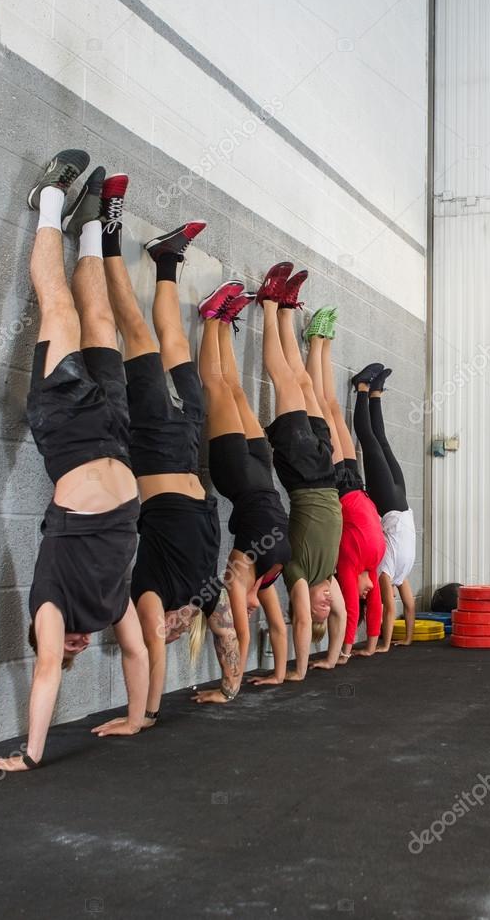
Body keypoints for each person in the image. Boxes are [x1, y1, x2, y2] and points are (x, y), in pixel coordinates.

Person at [0, 151, 148, 773]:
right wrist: (137, 717)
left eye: (67, 646)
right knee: (100, 320)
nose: (74, 644)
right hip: (116, 438)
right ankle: (92, 230)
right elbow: (137, 650)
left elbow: (47, 672)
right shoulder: (109, 606)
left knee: (58, 309)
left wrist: (28, 755)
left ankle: (48, 201)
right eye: (80, 649)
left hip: (70, 433)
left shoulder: (49, 603)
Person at [99, 189, 245, 716]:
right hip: (186, 449)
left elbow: (153, 653)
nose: (165, 626)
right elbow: (231, 640)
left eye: (163, 626)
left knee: (136, 334)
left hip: (156, 452)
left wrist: (144, 718)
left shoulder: (150, 592)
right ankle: (167, 261)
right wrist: (228, 687)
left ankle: (104, 232)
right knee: (177, 345)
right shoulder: (206, 592)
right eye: (176, 628)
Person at [253, 262, 346, 680]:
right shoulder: (329, 575)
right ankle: (288, 311)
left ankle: (269, 306)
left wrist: (300, 670)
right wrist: (333, 656)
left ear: (301, 603)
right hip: (325, 471)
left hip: (303, 476)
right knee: (306, 387)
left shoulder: (299, 574)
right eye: (330, 608)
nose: (327, 605)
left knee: (285, 381)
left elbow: (305, 623)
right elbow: (343, 616)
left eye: (319, 608)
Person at [198, 282, 292, 687]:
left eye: (245, 609)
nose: (249, 610)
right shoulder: (269, 579)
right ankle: (225, 320)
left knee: (216, 388)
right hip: (263, 469)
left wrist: (231, 687)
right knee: (236, 390)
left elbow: (237, 632)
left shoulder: (239, 572)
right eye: (253, 609)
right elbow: (280, 628)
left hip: (235, 473)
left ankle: (209, 320)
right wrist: (280, 675)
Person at [303, 315, 385, 661]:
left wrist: (348, 651)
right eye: (371, 594)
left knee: (321, 408)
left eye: (366, 595)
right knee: (334, 407)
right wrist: (375, 644)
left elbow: (351, 609)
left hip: (339, 486)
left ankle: (315, 344)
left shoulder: (349, 567)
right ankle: (325, 344)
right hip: (358, 484)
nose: (370, 593)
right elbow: (378, 608)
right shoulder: (376, 564)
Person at [351, 362, 417, 649]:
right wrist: (410, 638)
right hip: (402, 503)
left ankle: (361, 388)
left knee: (370, 442)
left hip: (388, 505)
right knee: (384, 444)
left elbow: (390, 609)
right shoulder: (401, 577)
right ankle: (376, 394)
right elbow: (409, 608)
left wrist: (386, 644)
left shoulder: (384, 571)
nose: (385, 594)